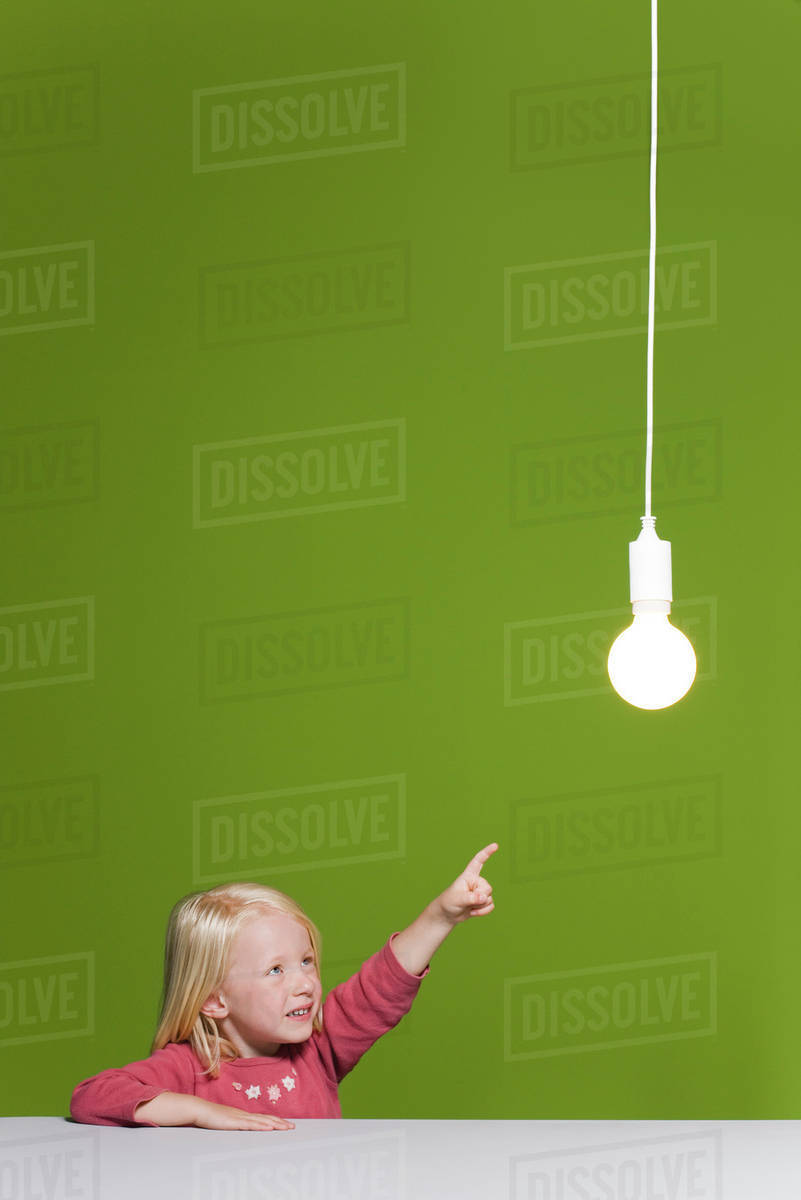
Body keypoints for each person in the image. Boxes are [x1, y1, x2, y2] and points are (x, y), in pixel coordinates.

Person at [69, 843, 498, 1130]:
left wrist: (441, 917)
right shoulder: (187, 1068)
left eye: (306, 962)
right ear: (214, 999)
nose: (304, 983)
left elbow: (379, 987)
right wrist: (198, 1111)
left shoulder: (320, 1048)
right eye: (276, 970)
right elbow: (91, 1097)